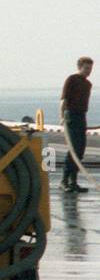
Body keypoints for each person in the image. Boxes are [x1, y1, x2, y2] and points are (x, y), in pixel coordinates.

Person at [60, 56, 93, 193]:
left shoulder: (88, 84)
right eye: (86, 68)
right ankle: (64, 180)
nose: (88, 71)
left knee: (80, 150)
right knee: (73, 149)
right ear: (80, 67)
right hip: (71, 116)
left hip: (81, 116)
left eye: (90, 69)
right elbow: (64, 100)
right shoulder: (72, 79)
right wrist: (62, 117)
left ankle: (74, 181)